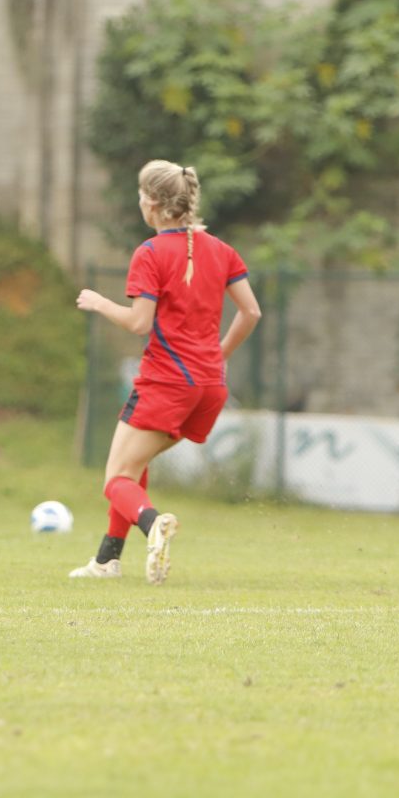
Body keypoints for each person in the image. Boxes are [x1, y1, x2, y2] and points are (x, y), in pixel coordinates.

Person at [70, 159, 261, 584]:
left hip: (167, 382)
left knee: (116, 477)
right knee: (133, 466)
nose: (139, 202)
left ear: (153, 204)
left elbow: (139, 323)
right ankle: (107, 560)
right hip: (209, 387)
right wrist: (221, 353)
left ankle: (152, 523)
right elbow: (251, 311)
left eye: (141, 195)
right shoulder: (221, 249)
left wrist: (100, 303)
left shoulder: (151, 252)